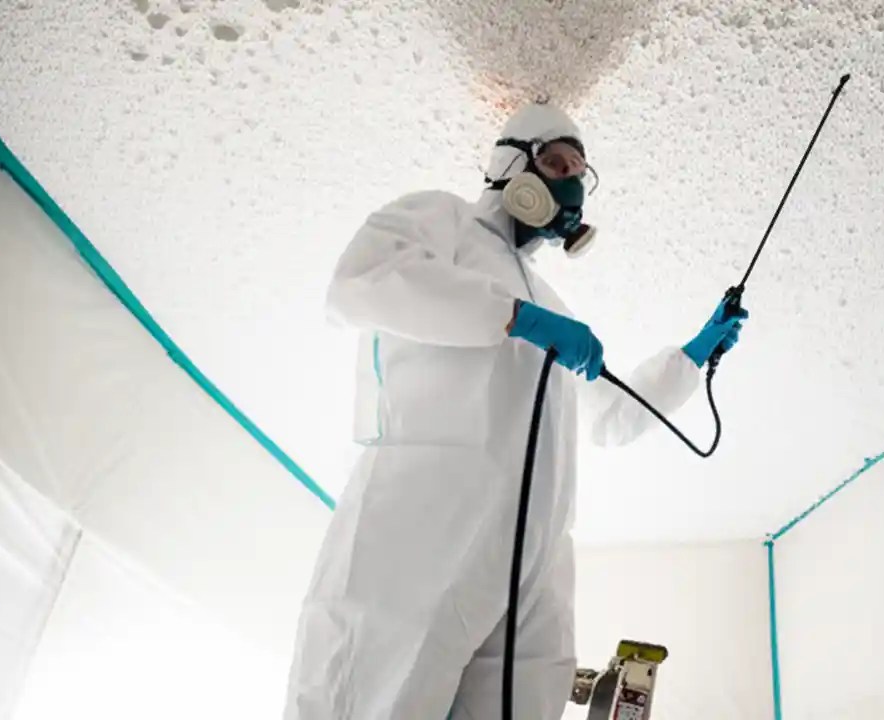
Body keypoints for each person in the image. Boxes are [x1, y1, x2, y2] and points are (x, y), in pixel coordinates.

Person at [283, 101, 748, 720]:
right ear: (512, 163)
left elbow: (609, 417)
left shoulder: (554, 302)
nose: (571, 182)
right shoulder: (441, 219)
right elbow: (360, 283)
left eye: (580, 171)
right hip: (426, 519)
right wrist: (512, 317)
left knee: (526, 697)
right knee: (375, 686)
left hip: (536, 550)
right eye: (557, 162)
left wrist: (692, 355)